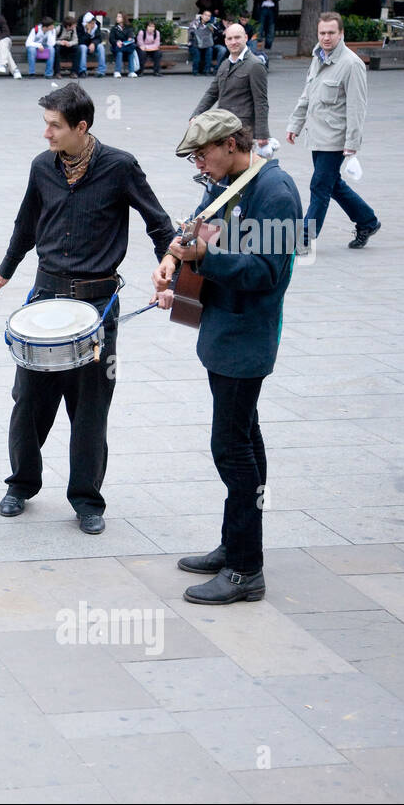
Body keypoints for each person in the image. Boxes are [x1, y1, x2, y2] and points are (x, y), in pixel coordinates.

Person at [0, 83, 175, 534]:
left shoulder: (120, 166)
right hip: (46, 294)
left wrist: (171, 271)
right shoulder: (42, 168)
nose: (46, 134)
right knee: (28, 399)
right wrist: (6, 269)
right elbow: (26, 222)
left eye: (54, 126)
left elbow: (160, 225)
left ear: (81, 127)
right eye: (46, 124)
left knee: (91, 406)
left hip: (98, 300)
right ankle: (21, 484)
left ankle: (87, 500)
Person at [152, 110, 302, 605]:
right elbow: (199, 229)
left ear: (234, 144)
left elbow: (267, 273)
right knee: (245, 438)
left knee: (230, 447)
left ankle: (245, 570)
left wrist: (203, 259)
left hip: (248, 336)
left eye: (204, 154)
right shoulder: (227, 181)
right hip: (222, 330)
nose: (199, 164)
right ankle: (235, 543)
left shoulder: (275, 192)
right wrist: (175, 259)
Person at [286, 12, 380, 250]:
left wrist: (352, 144)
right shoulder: (318, 56)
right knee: (332, 184)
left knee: (319, 185)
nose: (326, 38)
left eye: (331, 33)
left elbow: (358, 107)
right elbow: (307, 95)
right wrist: (294, 125)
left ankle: (304, 238)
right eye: (322, 33)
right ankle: (367, 221)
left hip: (336, 139)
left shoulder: (351, 64)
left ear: (341, 34)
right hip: (316, 136)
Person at [191, 21, 270, 151]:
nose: (233, 42)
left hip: (243, 130)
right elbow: (212, 93)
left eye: (237, 37)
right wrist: (196, 114)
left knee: (242, 169)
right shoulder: (224, 65)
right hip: (223, 127)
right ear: (225, 41)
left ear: (246, 37)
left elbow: (261, 101)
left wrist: (262, 134)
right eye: (230, 38)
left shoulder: (255, 65)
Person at [187, 10, 217, 76]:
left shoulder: (210, 24)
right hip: (194, 44)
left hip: (205, 44)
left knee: (210, 50)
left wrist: (212, 30)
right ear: (202, 15)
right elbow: (191, 33)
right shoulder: (195, 23)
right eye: (206, 15)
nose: (207, 17)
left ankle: (207, 70)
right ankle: (195, 71)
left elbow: (213, 35)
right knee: (196, 53)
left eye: (209, 16)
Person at [109, 11, 138, 77]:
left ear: (123, 18)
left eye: (119, 17)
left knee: (131, 50)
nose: (117, 18)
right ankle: (117, 71)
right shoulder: (114, 28)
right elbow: (111, 39)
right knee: (119, 51)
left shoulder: (128, 28)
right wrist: (117, 42)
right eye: (117, 16)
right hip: (116, 47)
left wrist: (129, 39)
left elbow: (131, 37)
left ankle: (131, 72)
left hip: (125, 46)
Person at [77, 11, 105, 77]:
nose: (92, 25)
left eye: (93, 23)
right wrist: (88, 32)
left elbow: (99, 38)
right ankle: (82, 71)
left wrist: (93, 43)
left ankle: (101, 71)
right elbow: (80, 41)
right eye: (90, 23)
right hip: (83, 45)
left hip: (93, 46)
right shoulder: (80, 27)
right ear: (86, 23)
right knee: (83, 47)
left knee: (101, 47)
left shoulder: (96, 26)